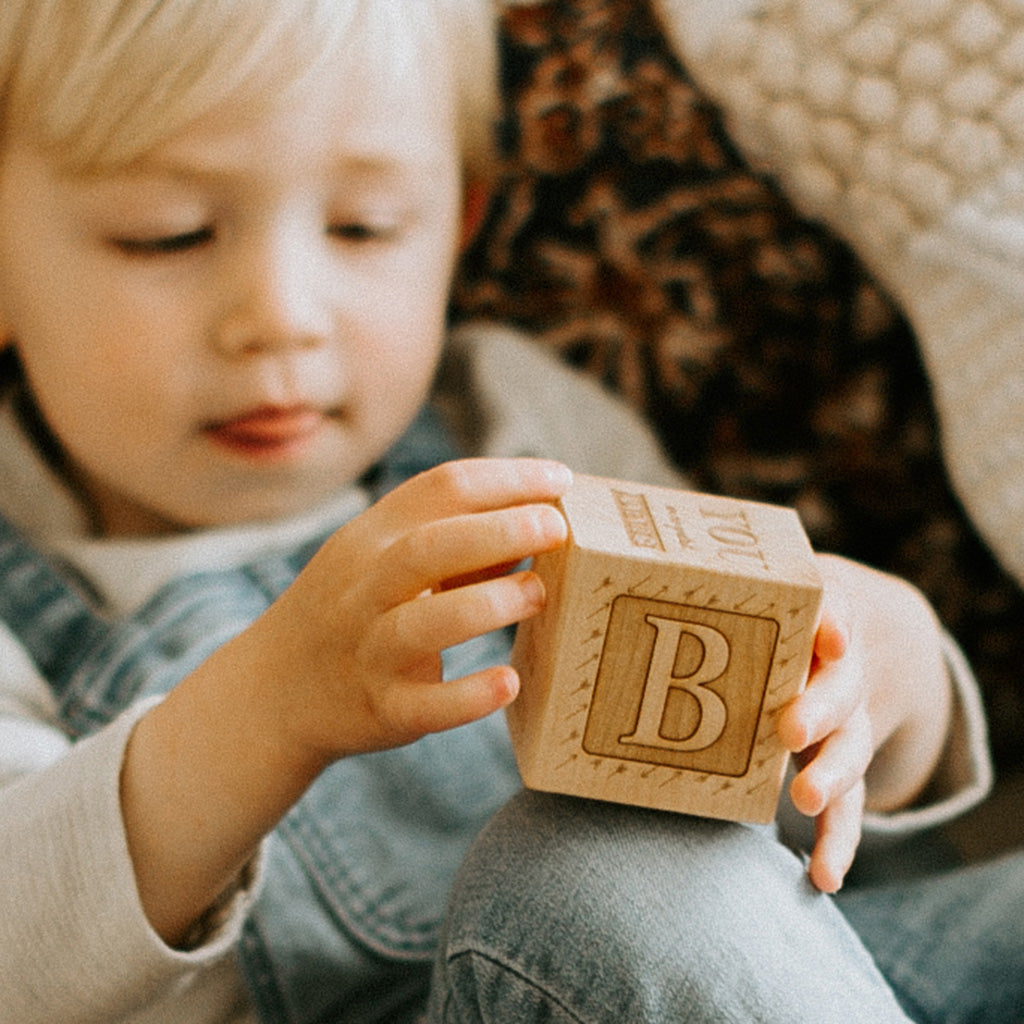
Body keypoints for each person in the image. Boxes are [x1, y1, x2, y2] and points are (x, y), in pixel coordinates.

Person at [0, 2, 1001, 1022]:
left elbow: (774, 805)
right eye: (165, 235)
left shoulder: (516, 419)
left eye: (364, 227)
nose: (280, 316)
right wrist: (265, 707)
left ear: (458, 227)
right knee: (599, 880)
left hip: (796, 974)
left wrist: (883, 678)